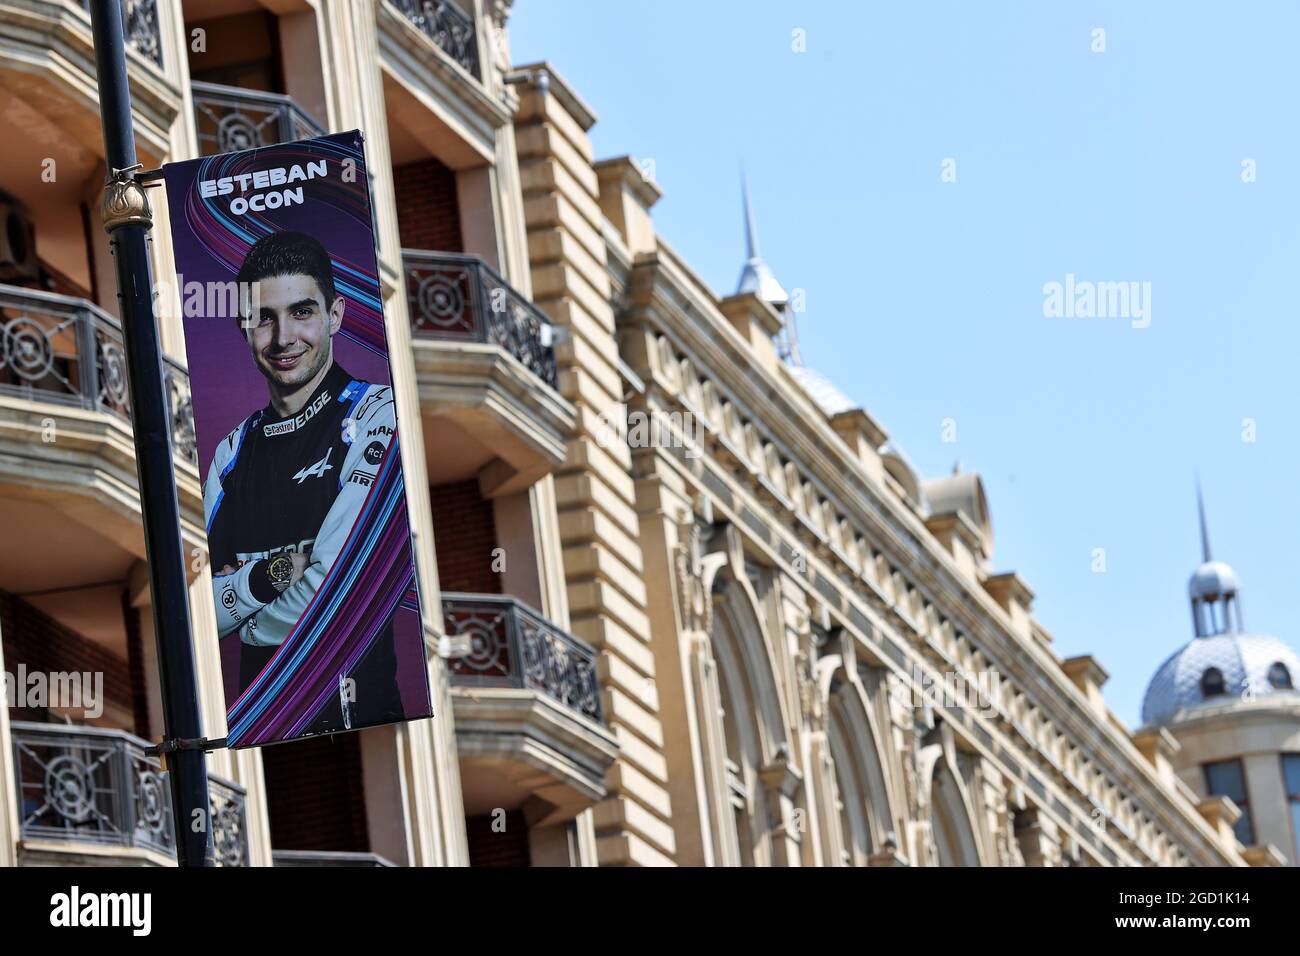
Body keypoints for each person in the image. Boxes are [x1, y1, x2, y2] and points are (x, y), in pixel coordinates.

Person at [202, 231, 402, 731]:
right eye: (264, 318)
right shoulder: (230, 454)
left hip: (365, 717)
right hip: (261, 725)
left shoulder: (379, 412)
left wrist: (245, 621)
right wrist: (264, 578)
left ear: (334, 316)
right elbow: (192, 619)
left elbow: (339, 586)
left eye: (302, 312)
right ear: (243, 327)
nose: (284, 337)